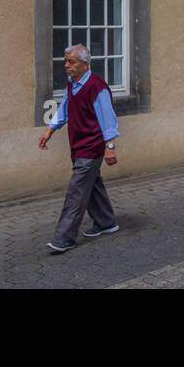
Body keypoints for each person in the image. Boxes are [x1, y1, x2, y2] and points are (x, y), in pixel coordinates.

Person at [38, 44, 120, 253]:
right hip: (77, 145)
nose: (66, 65)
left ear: (85, 64)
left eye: (71, 62)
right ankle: (106, 222)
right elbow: (65, 107)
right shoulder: (72, 83)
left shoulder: (97, 87)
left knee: (76, 191)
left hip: (91, 146)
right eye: (65, 61)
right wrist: (50, 129)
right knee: (92, 185)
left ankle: (64, 238)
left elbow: (108, 118)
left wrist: (109, 146)